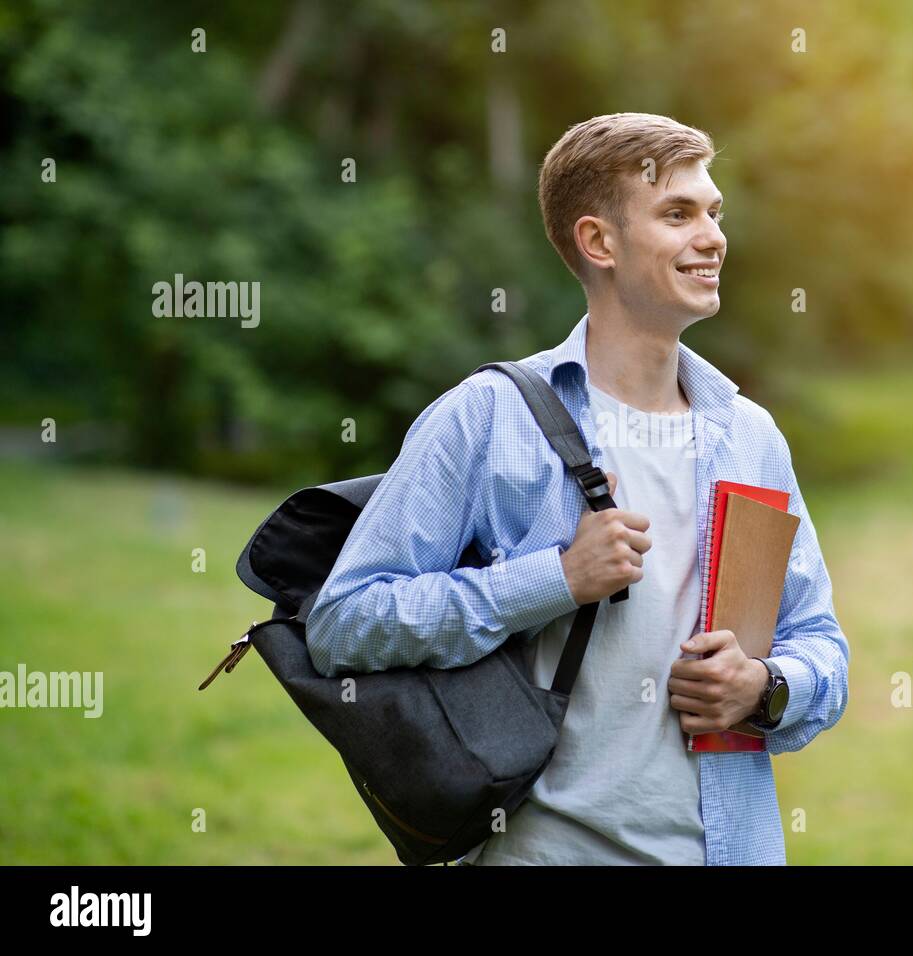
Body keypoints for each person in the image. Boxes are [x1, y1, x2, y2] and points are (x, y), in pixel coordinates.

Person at [305, 113, 849, 865]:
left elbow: (820, 646)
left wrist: (764, 689)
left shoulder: (750, 437)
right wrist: (552, 579)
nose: (714, 236)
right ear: (599, 242)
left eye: (714, 213)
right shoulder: (488, 417)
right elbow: (342, 625)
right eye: (678, 214)